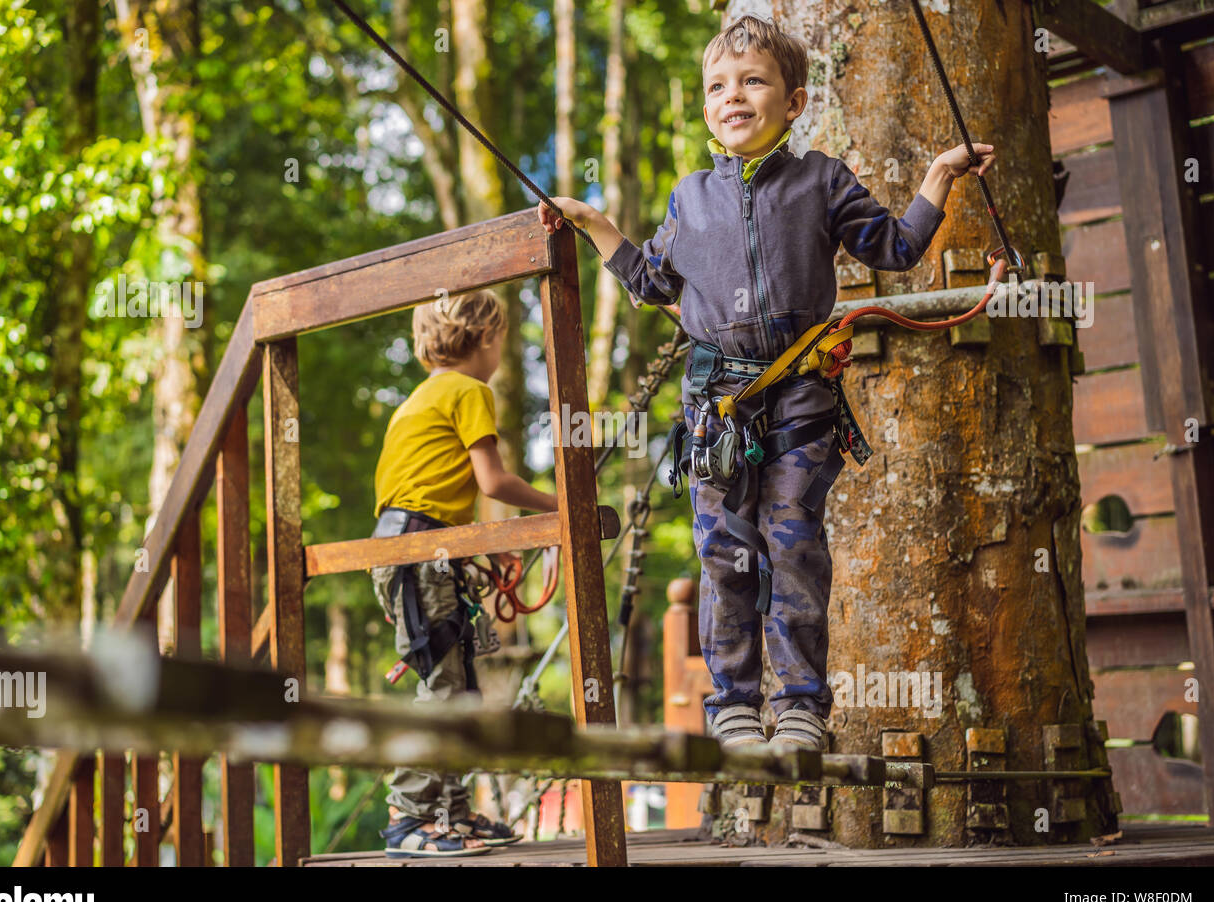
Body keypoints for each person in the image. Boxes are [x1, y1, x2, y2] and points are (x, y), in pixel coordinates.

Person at [537, 14, 994, 752]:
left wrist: (938, 177)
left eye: (753, 82)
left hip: (801, 399)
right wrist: (595, 224)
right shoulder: (690, 197)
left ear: (794, 101)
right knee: (726, 551)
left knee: (794, 545)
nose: (733, 97)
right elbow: (653, 281)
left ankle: (804, 709)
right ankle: (736, 708)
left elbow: (896, 245)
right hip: (718, 407)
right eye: (718, 86)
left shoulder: (820, 180)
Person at [372, 288, 558, 857]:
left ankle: (450, 813)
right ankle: (409, 819)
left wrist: (483, 548)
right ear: (485, 339)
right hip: (418, 547)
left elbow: (439, 489)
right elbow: (492, 482)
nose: (502, 349)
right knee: (444, 686)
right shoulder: (471, 391)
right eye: (501, 338)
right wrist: (560, 504)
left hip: (416, 545)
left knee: (458, 681)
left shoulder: (420, 396)